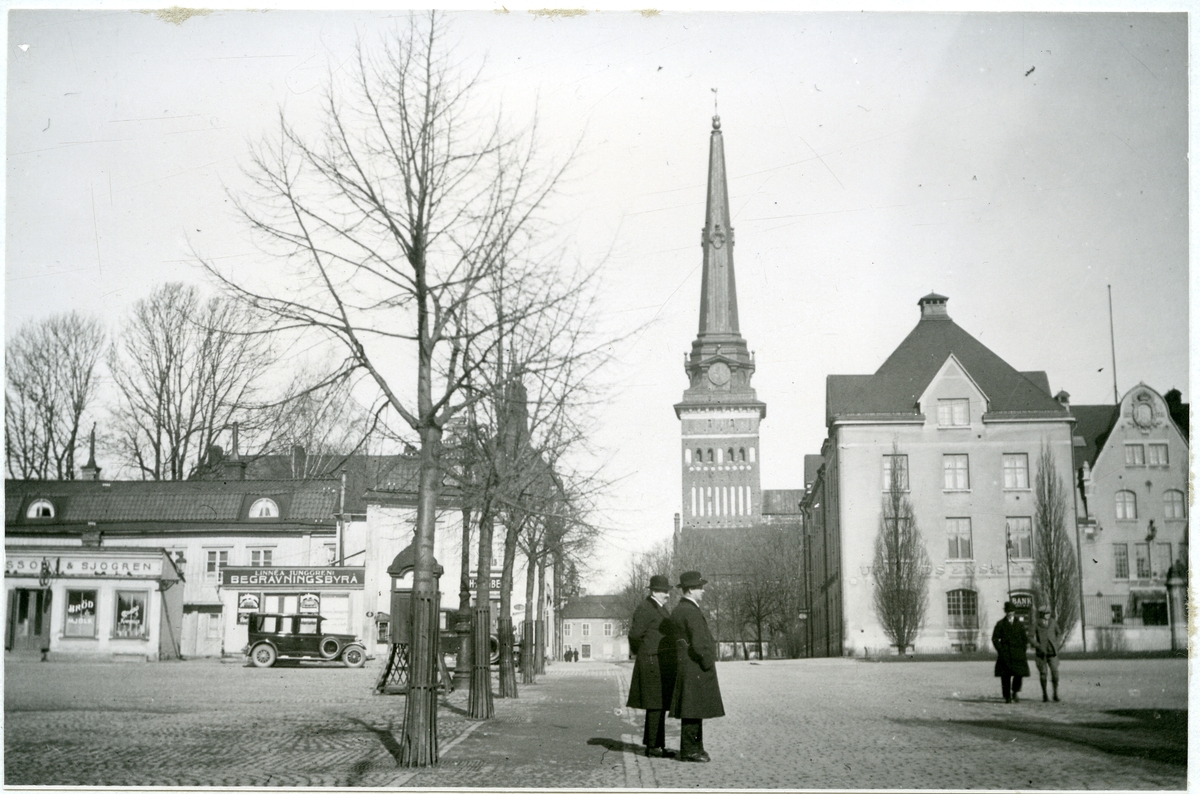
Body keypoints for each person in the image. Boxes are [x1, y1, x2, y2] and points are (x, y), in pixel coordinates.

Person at [669, 571, 724, 762]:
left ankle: (695, 748)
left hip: (687, 665)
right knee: (692, 710)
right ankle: (690, 750)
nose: (703, 591)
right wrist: (708, 662)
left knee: (693, 709)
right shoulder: (690, 611)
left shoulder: (680, 609)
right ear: (691, 590)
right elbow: (699, 643)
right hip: (695, 666)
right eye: (700, 588)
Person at [626, 574, 678, 758]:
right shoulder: (646, 608)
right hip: (651, 662)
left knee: (659, 704)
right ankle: (653, 746)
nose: (667, 595)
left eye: (667, 591)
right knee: (655, 705)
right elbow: (634, 635)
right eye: (664, 591)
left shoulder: (659, 607)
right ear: (654, 591)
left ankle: (657, 745)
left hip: (659, 662)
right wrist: (645, 653)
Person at [992, 601, 1031, 703]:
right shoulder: (1000, 624)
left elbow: (1024, 639)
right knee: (1005, 676)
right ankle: (1007, 696)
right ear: (1006, 612)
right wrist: (1000, 649)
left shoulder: (1019, 624)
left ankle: (1015, 691)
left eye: (1012, 611)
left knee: (1019, 674)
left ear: (1014, 612)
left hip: (1018, 654)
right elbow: (995, 638)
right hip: (1006, 653)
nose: (1010, 613)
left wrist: (1023, 650)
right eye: (1009, 611)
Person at [1031, 608, 1062, 702]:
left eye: (1049, 613)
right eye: (1045, 613)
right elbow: (1030, 637)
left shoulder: (1053, 622)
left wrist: (1056, 643)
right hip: (1041, 653)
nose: (1048, 615)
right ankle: (1045, 694)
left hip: (1052, 653)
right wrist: (1037, 645)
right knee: (1043, 674)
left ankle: (1055, 694)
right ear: (1041, 614)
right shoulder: (1036, 623)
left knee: (1055, 673)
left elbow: (1059, 633)